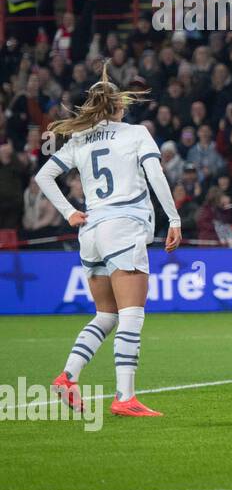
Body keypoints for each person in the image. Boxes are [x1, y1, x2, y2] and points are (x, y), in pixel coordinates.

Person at [34, 67, 183, 417]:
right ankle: (125, 397)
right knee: (132, 315)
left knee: (106, 314)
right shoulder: (135, 134)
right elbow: (156, 175)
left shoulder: (81, 139)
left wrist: (70, 212)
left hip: (91, 232)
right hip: (124, 225)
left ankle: (67, 377)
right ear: (120, 106)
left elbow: (44, 175)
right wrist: (173, 219)